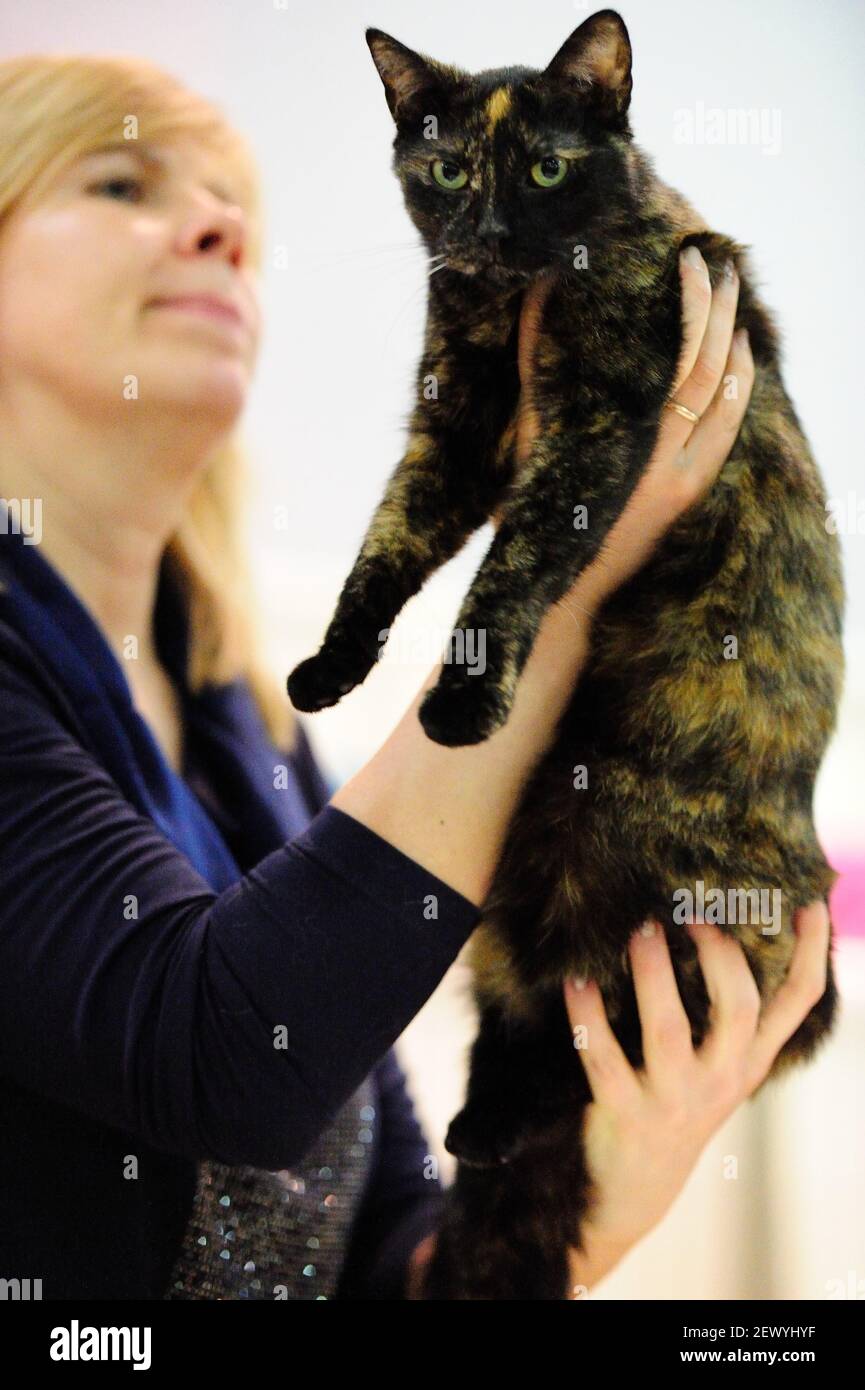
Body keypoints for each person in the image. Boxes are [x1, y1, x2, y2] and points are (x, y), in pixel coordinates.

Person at [0, 53, 828, 1302]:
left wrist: (606, 1188)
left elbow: (389, 1261)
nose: (225, 226)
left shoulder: (250, 728)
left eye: (236, 203)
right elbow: (221, 1060)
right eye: (122, 184)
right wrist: (580, 566)